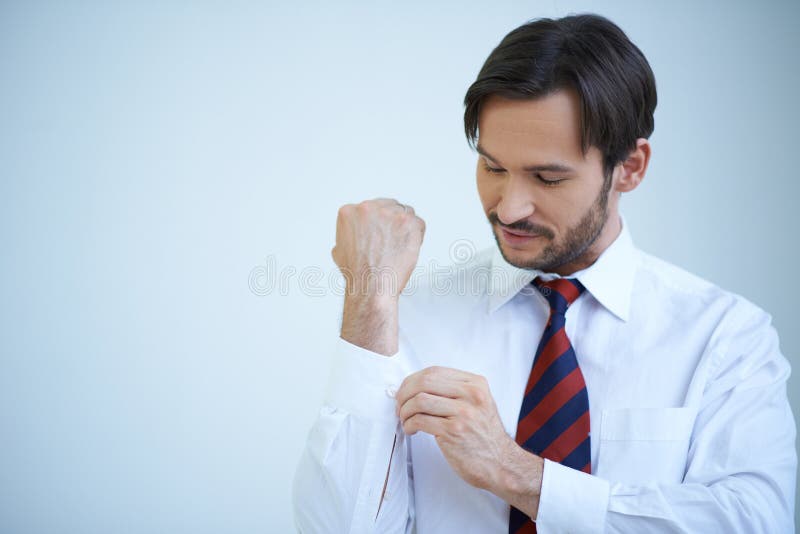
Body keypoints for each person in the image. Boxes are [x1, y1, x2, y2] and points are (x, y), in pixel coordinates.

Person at [291, 13, 797, 534]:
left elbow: (756, 522)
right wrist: (369, 301)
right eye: (492, 168)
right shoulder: (409, 320)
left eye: (547, 177)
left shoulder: (726, 337)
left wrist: (519, 475)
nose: (508, 208)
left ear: (631, 167)